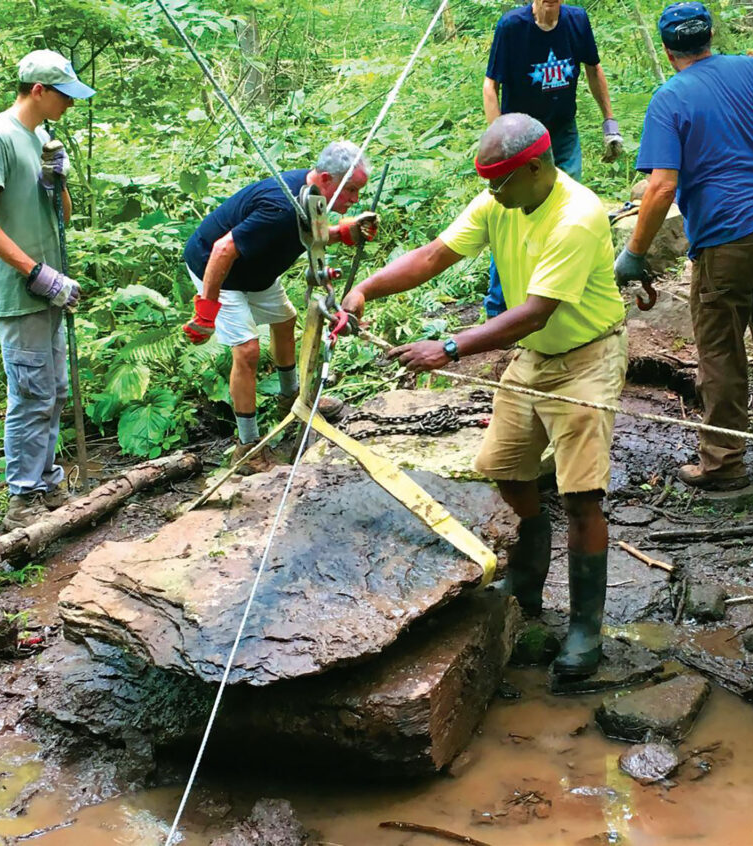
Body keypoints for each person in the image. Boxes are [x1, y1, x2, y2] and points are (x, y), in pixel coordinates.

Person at [343, 113, 627, 678]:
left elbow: (533, 311)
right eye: (488, 183)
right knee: (504, 467)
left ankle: (585, 631)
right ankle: (529, 579)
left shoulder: (577, 216)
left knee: (582, 495)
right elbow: (433, 257)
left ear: (536, 167)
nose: (491, 193)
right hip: (535, 357)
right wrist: (365, 289)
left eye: (500, 182)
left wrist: (448, 348)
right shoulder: (500, 200)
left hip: (587, 359)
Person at [615, 2, 753, 490]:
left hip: (725, 237)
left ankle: (723, 462)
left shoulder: (670, 98)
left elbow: (660, 188)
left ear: (667, 47)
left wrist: (634, 253)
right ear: (709, 36)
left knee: (720, 349)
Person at [182, 142, 377, 474]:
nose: (355, 199)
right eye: (352, 190)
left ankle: (291, 399)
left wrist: (342, 232)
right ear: (328, 178)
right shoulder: (281, 205)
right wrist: (207, 308)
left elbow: (306, 234)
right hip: (219, 271)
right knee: (247, 351)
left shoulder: (312, 192)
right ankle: (248, 449)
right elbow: (223, 248)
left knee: (285, 321)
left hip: (256, 269)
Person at [0, 50, 95, 530]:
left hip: (52, 288)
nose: (69, 103)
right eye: (63, 94)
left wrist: (57, 180)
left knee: (55, 390)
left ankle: (45, 483)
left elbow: (60, 218)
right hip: (23, 291)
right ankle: (21, 499)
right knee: (30, 393)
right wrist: (34, 272)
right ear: (39, 90)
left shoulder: (42, 137)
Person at [481, 0, 622, 318]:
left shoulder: (576, 20)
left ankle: (561, 296)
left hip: (561, 133)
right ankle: (498, 307)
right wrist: (501, 138)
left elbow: (593, 68)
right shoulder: (513, 26)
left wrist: (610, 124)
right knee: (515, 214)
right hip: (521, 138)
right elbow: (491, 86)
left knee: (568, 211)